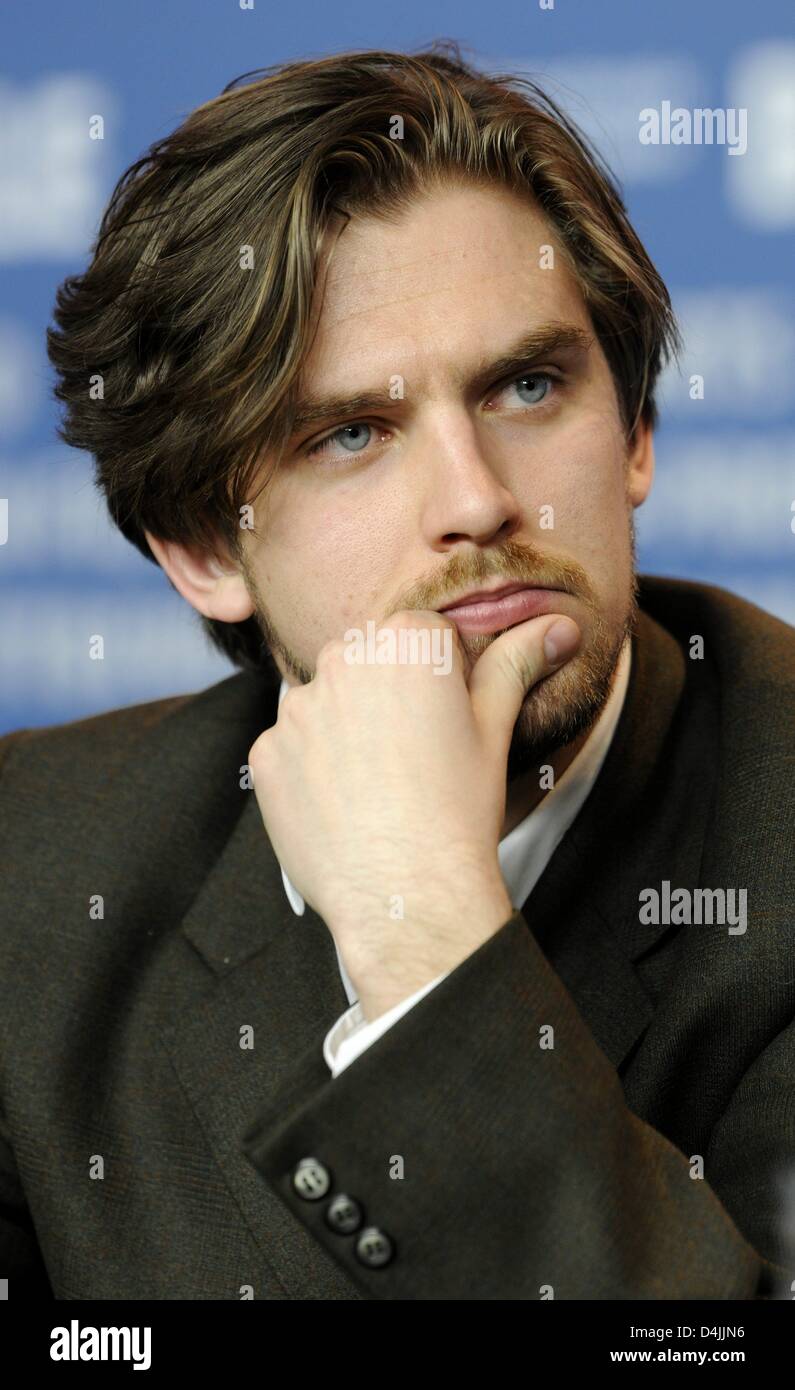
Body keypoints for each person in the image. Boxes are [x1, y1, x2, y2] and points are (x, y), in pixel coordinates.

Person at [1, 44, 793, 1300]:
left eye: (530, 385)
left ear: (635, 429)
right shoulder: (28, 881)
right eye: (352, 434)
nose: (478, 500)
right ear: (206, 548)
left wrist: (424, 942)